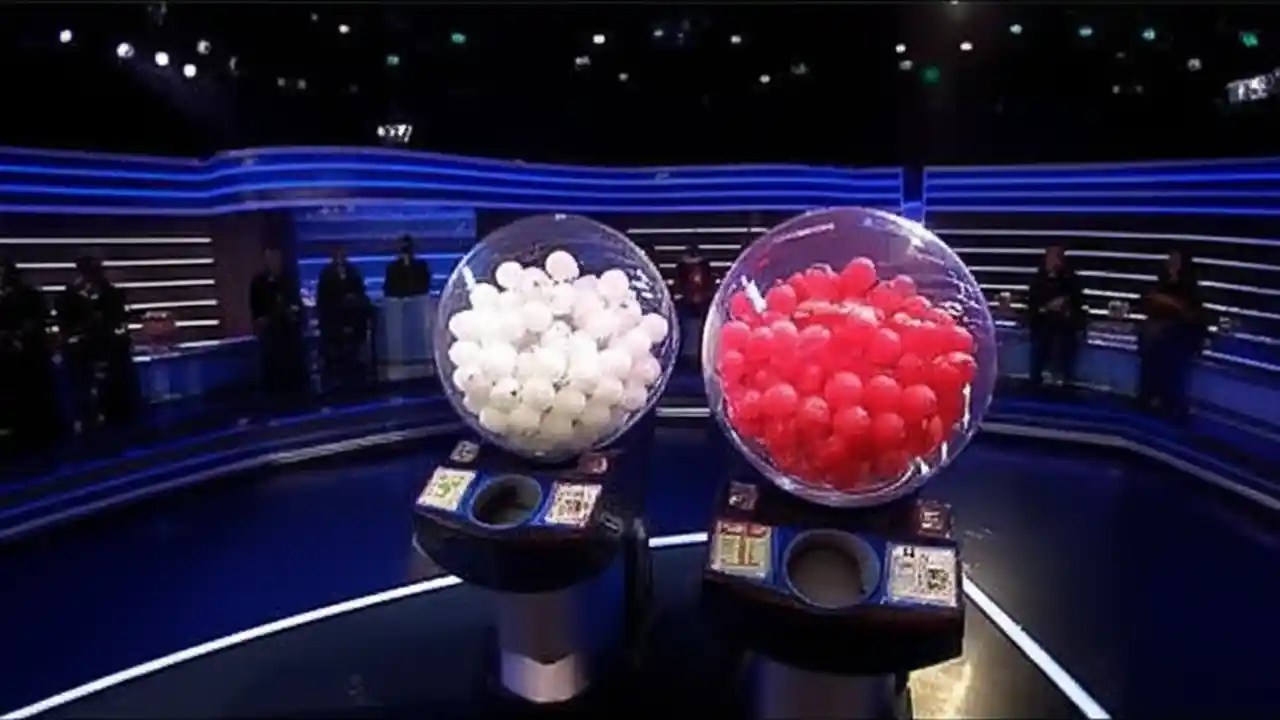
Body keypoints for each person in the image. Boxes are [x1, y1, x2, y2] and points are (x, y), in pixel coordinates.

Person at [56, 257, 138, 432]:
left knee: (112, 387)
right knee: (83, 389)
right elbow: (64, 323)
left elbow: (119, 318)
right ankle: (86, 420)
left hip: (109, 348)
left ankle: (116, 417)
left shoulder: (111, 293)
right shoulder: (68, 296)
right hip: (81, 352)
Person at [1138, 249, 1205, 420]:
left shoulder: (1190, 288)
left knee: (1163, 340)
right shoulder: (1161, 283)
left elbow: (1193, 316)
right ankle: (1151, 395)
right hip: (1160, 332)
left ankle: (1167, 400)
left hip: (1183, 333)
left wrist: (1174, 305)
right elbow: (1148, 300)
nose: (1172, 266)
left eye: (1176, 263)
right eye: (1170, 263)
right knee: (1150, 337)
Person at [0, 258, 59, 451]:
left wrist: (22, 334)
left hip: (33, 356)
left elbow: (41, 319)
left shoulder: (30, 295)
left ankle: (42, 437)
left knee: (36, 397)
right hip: (9, 358)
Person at [250, 246, 308, 402]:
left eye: (277, 259)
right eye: (271, 259)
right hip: (273, 339)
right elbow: (257, 315)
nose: (275, 263)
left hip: (291, 338)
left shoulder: (289, 281)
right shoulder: (258, 283)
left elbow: (297, 305)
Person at [1026, 245, 1086, 389]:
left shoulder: (1070, 279)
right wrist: (1046, 307)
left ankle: (1059, 375)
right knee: (1043, 334)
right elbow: (1031, 302)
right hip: (1042, 320)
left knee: (1062, 336)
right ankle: (1039, 375)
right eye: (1051, 257)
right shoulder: (1038, 280)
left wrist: (1064, 304)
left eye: (1057, 257)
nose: (1054, 261)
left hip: (1064, 321)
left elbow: (1078, 302)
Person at [317, 246, 369, 388]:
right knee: (336, 362)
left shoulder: (354, 273)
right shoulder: (326, 275)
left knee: (353, 360)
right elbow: (323, 303)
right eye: (337, 254)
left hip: (354, 325)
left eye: (343, 254)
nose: (340, 257)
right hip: (333, 328)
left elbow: (362, 297)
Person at [675, 245, 714, 370]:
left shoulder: (715, 312)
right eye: (687, 274)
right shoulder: (675, 313)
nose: (695, 280)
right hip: (680, 371)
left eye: (700, 274)